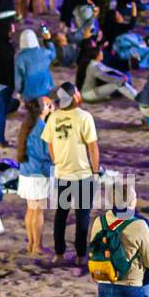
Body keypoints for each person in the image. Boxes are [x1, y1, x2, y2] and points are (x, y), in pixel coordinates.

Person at [45, 83, 100, 270]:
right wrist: (95, 170)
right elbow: (92, 146)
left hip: (63, 173)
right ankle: (80, 255)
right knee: (82, 216)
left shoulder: (53, 117)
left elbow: (50, 144)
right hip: (82, 174)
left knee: (61, 215)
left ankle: (59, 253)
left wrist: (57, 161)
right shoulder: (84, 117)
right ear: (74, 96)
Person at [16, 96, 54, 256]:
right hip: (38, 173)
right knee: (38, 211)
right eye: (48, 105)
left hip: (26, 171)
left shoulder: (28, 125)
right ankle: (37, 245)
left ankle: (31, 243)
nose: (51, 106)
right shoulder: (42, 127)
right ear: (41, 109)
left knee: (31, 209)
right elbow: (44, 153)